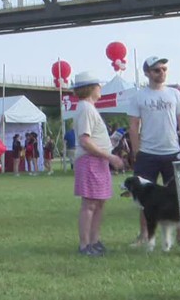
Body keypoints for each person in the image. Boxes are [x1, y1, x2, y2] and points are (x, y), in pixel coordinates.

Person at [128, 56, 180, 247]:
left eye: (164, 69)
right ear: (147, 73)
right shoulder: (138, 96)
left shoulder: (174, 94)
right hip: (147, 153)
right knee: (144, 197)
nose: (162, 72)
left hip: (173, 151)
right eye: (157, 70)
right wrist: (137, 151)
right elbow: (133, 126)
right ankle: (145, 235)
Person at [70, 71, 124, 256]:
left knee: (99, 203)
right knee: (90, 204)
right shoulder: (85, 108)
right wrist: (110, 156)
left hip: (97, 160)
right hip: (91, 160)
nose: (101, 88)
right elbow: (85, 140)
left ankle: (94, 240)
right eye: (98, 85)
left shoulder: (88, 108)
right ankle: (85, 244)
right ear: (91, 88)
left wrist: (110, 144)